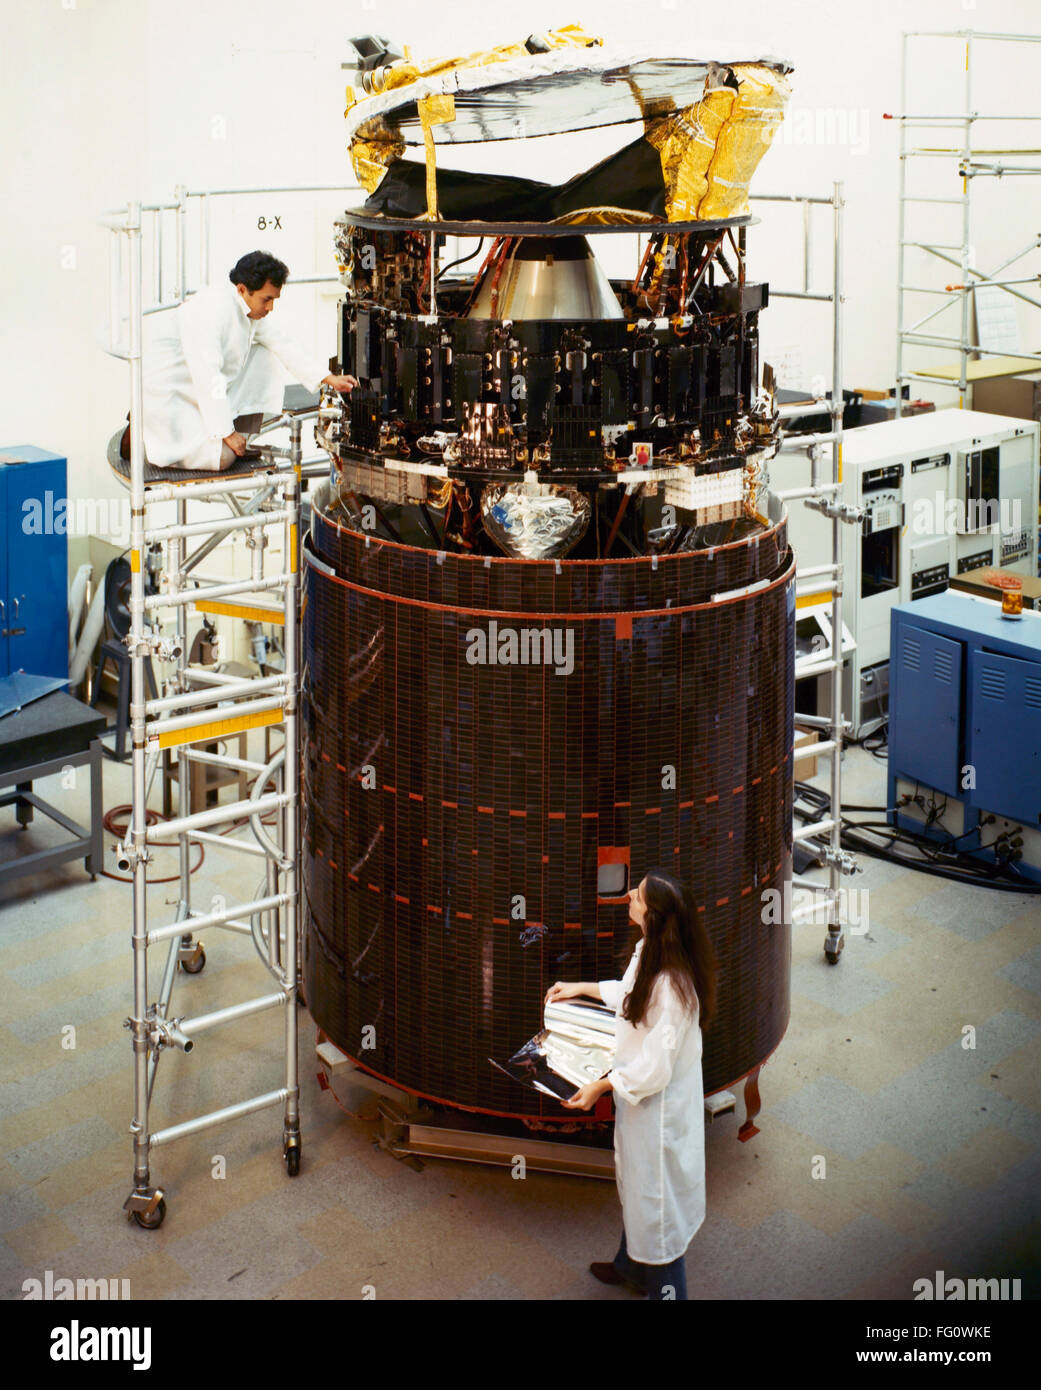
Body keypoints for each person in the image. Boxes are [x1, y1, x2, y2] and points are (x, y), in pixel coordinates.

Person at [546, 870, 718, 1300]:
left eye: (637, 896)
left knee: (658, 1218)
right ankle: (629, 1269)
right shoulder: (654, 954)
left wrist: (601, 1087)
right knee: (639, 1195)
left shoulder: (672, 990)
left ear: (654, 917)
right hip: (642, 1113)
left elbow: (654, 1071)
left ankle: (658, 1284)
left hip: (657, 1119)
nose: (629, 897)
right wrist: (580, 988)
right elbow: (628, 994)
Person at [126, 250, 357, 471]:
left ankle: (234, 436)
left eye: (274, 300)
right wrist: (226, 433)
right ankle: (144, 432)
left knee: (266, 354)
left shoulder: (244, 308)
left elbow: (282, 344)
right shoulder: (212, 309)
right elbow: (208, 377)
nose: (271, 307)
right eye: (267, 299)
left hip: (197, 393)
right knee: (223, 459)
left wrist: (329, 379)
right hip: (171, 397)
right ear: (242, 289)